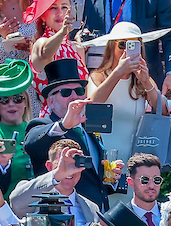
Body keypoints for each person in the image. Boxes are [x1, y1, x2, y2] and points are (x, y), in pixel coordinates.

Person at [24, 57, 112, 210]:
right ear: (51, 102)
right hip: (63, 214)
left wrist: (111, 177)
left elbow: (93, 177)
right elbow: (31, 143)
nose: (74, 97)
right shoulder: (43, 125)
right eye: (65, 92)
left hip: (96, 213)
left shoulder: (89, 127)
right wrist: (64, 125)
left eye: (78, 91)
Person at [83, 22, 171, 161]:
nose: (126, 51)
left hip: (134, 162)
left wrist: (146, 81)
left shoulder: (143, 79)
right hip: (105, 160)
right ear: (112, 46)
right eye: (122, 45)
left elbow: (163, 110)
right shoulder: (98, 76)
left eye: (134, 46)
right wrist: (118, 73)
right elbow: (92, 105)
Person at [8, 138, 102, 226]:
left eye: (74, 165)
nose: (69, 170)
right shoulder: (35, 195)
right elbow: (16, 201)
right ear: (49, 166)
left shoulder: (92, 208)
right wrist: (58, 174)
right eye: (62, 164)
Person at [0, 58, 37, 190]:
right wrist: (2, 163)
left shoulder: (37, 132)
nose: (11, 104)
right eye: (4, 100)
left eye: (18, 99)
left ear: (25, 102)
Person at [126, 153, 164, 226]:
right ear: (131, 182)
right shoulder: (120, 219)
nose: (151, 185)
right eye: (145, 180)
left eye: (156, 179)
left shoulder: (170, 215)